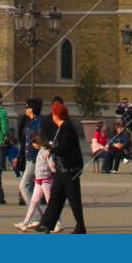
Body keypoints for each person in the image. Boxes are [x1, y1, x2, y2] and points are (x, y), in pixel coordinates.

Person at [32, 99, 86, 234]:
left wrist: (51, 150)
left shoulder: (67, 128)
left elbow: (64, 148)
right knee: (56, 198)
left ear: (57, 115)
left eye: (53, 114)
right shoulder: (61, 128)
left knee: (74, 200)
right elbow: (58, 146)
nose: (52, 116)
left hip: (70, 169)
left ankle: (81, 227)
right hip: (62, 169)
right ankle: (46, 224)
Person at [15, 132, 53, 231]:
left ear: (39, 142)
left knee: (51, 203)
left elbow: (51, 164)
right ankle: (25, 223)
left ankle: (57, 222)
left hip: (45, 181)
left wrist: (53, 168)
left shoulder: (45, 151)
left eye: (34, 143)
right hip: (39, 181)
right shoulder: (41, 151)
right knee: (33, 202)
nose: (32, 145)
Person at [18, 98, 43, 206]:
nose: (25, 109)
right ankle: (39, 217)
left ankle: (36, 216)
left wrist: (39, 144)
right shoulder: (29, 121)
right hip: (28, 158)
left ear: (32, 109)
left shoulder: (38, 122)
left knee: (24, 186)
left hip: (35, 159)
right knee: (38, 190)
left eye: (27, 107)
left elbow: (43, 137)